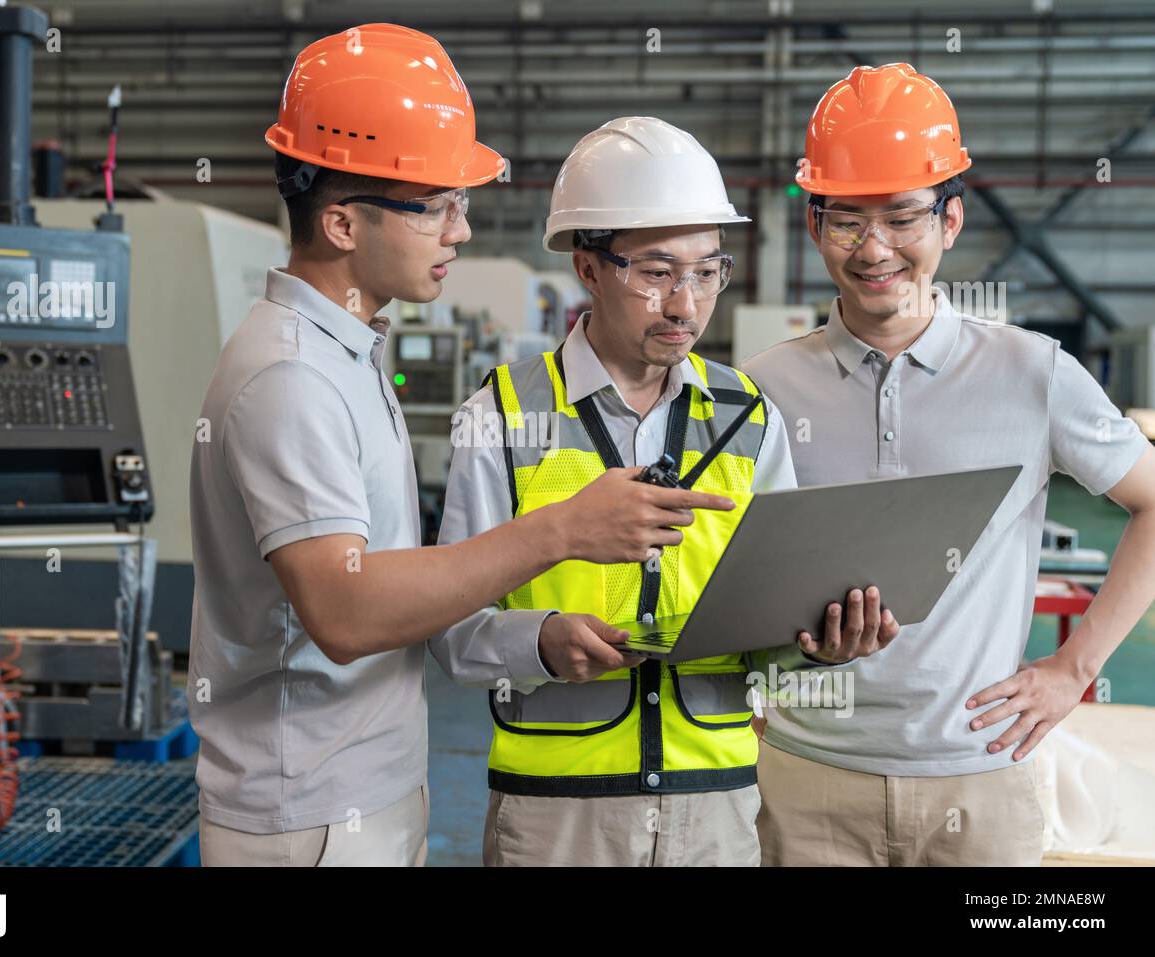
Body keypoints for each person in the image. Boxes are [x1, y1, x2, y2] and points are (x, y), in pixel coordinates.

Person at [188, 29, 734, 868]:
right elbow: (343, 611)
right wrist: (562, 532)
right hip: (310, 808)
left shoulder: (345, 355)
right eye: (435, 205)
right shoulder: (290, 379)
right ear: (340, 221)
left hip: (354, 789)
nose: (462, 229)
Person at [432, 117, 899, 867]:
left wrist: (824, 647)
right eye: (655, 273)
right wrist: (540, 641)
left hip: (716, 809)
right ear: (588, 267)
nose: (685, 305)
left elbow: (772, 627)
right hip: (557, 818)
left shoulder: (747, 416)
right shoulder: (506, 416)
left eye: (707, 271)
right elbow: (448, 624)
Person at [744, 62, 1155, 866]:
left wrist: (1075, 667)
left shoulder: (1033, 375)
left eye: (902, 217)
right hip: (804, 775)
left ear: (951, 220)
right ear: (812, 223)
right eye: (845, 221)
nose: (874, 249)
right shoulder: (762, 388)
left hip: (982, 777)